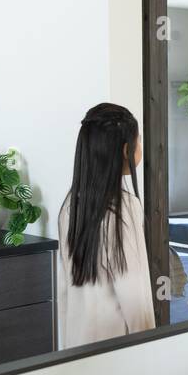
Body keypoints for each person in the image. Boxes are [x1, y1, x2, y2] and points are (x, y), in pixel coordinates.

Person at [57, 103, 155, 347]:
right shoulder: (125, 209)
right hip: (118, 352)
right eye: (138, 140)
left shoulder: (71, 206)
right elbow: (135, 297)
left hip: (79, 347)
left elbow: (64, 289)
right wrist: (151, 347)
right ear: (126, 150)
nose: (140, 146)